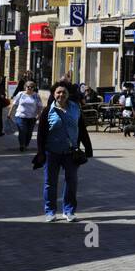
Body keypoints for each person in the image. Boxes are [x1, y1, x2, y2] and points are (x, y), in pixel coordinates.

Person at [32, 81, 93, 223]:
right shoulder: (48, 111)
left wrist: (88, 147)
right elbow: (41, 134)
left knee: (72, 181)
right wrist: (41, 152)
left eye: (64, 92)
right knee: (50, 183)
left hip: (71, 152)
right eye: (58, 92)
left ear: (68, 94)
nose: (61, 94)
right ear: (54, 94)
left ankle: (69, 211)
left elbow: (82, 129)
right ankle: (50, 211)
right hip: (51, 152)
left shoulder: (75, 108)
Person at [9, 81, 42, 152]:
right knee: (22, 131)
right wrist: (9, 114)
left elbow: (40, 106)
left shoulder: (36, 96)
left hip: (32, 118)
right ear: (25, 87)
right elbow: (14, 104)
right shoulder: (20, 94)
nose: (30, 88)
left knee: (29, 133)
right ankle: (22, 145)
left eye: (32, 87)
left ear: (34, 88)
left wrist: (38, 115)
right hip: (20, 116)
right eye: (28, 86)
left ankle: (26, 144)